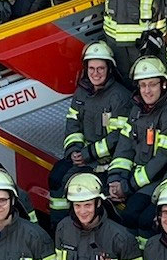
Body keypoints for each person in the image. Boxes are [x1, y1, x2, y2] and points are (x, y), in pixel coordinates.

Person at [48, 41, 134, 214]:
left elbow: (118, 137)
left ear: (109, 69)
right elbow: (72, 123)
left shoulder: (120, 97)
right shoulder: (82, 92)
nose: (96, 73)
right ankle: (60, 224)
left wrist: (88, 154)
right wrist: (74, 150)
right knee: (56, 178)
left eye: (100, 68)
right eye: (91, 68)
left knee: (89, 193)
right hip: (82, 157)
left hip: (106, 163)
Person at [105, 57, 167, 231]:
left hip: (158, 180)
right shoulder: (136, 110)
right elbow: (124, 148)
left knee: (132, 214)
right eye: (143, 85)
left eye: (152, 84)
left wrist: (127, 186)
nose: (147, 91)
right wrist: (116, 179)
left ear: (163, 84)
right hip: (133, 179)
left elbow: (162, 160)